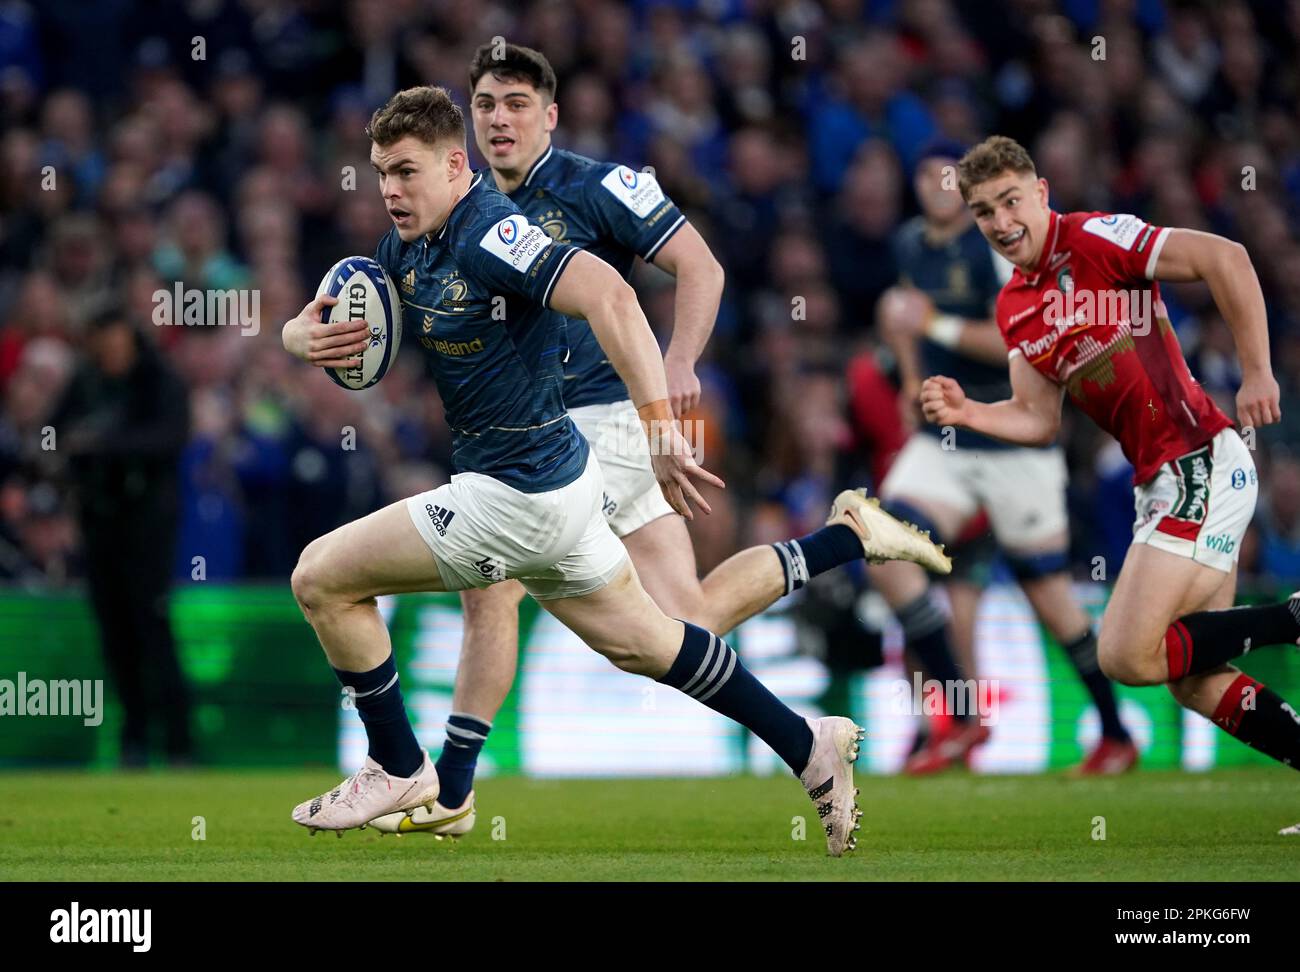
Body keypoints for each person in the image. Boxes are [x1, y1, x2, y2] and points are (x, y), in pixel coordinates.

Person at [279, 86, 946, 855]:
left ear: (456, 166)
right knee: (661, 642)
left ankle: (405, 768)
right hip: (559, 494)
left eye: (405, 172)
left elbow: (615, 296)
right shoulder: (406, 248)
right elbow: (320, 317)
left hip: (516, 495)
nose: (390, 190)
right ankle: (807, 743)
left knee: (319, 577)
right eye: (380, 173)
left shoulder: (491, 231)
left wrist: (663, 429)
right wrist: (303, 336)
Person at [922, 136, 1300, 824]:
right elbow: (1037, 419)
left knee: (1125, 654)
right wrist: (969, 411)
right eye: (983, 212)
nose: (1002, 223)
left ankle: (1292, 619)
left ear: (1040, 193)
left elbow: (1227, 257)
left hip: (1198, 461)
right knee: (1190, 678)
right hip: (1161, 482)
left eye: (1011, 201)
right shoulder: (1015, 308)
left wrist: (1256, 371)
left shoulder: (1094, 237)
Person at [876, 140, 1135, 775]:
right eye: (923, 177)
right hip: (947, 441)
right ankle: (962, 719)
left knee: (1050, 598)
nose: (934, 190)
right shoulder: (911, 244)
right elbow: (901, 317)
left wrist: (931, 325)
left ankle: (1115, 733)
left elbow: (1018, 338)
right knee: (883, 548)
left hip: (1015, 434)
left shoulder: (996, 250)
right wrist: (912, 381)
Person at [48, 306, 193, 766]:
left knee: (151, 625)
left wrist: (100, 444)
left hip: (147, 524)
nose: (109, 353)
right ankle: (134, 739)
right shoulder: (85, 382)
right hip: (99, 521)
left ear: (129, 340)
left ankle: (178, 741)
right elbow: (51, 434)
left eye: (115, 343)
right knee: (114, 632)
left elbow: (170, 438)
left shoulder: (160, 381)